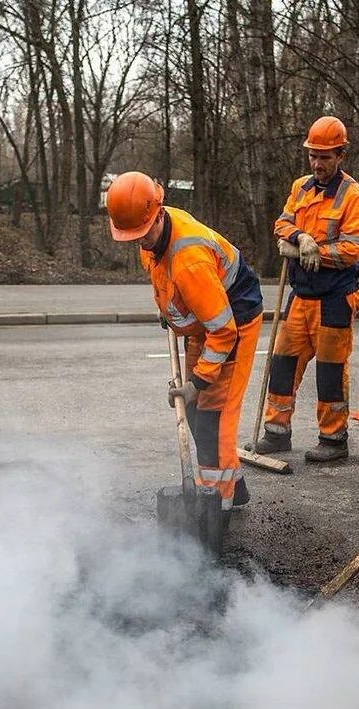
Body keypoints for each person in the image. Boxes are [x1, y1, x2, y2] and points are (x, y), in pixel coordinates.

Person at [106, 171, 263, 510]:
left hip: (233, 320)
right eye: (133, 236)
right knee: (193, 412)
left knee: (213, 424)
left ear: (159, 212)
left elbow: (223, 331)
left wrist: (199, 381)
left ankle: (214, 511)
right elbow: (164, 282)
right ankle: (235, 490)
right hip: (203, 320)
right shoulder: (149, 237)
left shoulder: (189, 259)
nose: (140, 242)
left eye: (143, 234)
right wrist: (169, 314)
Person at [254, 116, 359, 462]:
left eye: (325, 157)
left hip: (335, 297)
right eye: (313, 156)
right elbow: (282, 222)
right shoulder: (300, 188)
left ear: (341, 155)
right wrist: (298, 236)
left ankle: (333, 440)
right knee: (282, 364)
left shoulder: (353, 196)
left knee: (330, 370)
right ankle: (276, 434)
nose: (317, 164)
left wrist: (313, 251)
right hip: (300, 296)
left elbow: (354, 248)